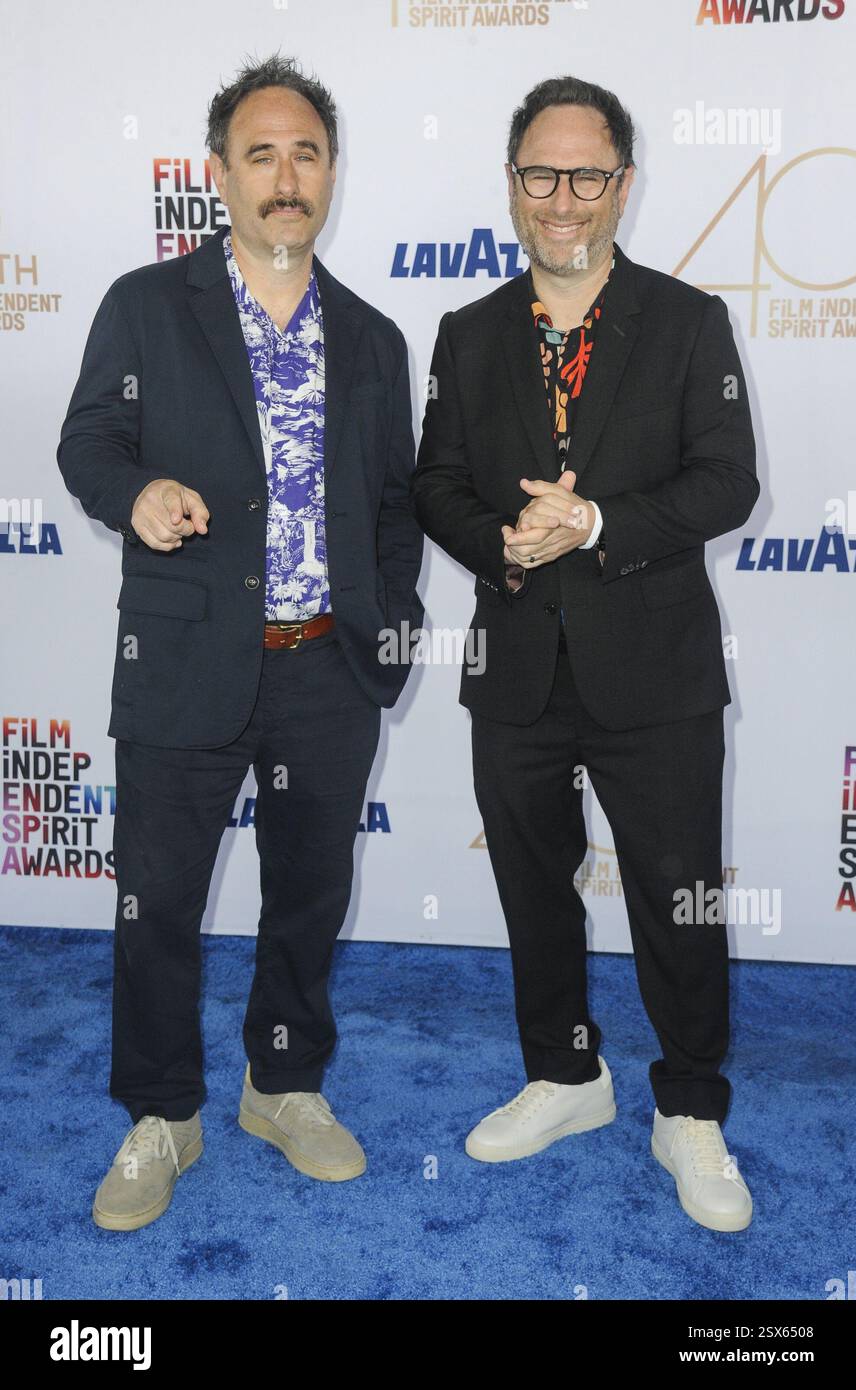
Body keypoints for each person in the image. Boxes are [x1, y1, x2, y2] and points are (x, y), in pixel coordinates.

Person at [57, 53, 423, 1231]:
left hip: (327, 666)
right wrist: (139, 492)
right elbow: (85, 444)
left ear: (331, 174)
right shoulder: (145, 305)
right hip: (183, 659)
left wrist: (391, 639)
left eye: (306, 152)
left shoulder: (372, 336)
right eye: (259, 153)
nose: (284, 176)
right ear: (218, 174)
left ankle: (283, 1082)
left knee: (307, 894)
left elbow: (395, 513)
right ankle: (163, 1111)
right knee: (156, 899)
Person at [411, 77, 759, 1233]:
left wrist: (596, 523)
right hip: (516, 665)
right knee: (534, 893)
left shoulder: (689, 320)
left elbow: (727, 480)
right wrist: (502, 542)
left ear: (623, 183)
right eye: (541, 175)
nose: (565, 200)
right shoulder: (466, 334)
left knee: (679, 897)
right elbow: (436, 483)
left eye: (589, 175)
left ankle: (690, 1108)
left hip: (654, 669)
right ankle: (567, 1075)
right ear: (511, 183)